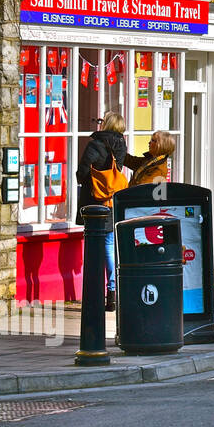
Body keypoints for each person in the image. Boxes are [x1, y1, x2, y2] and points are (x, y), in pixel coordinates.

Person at [76, 112, 130, 311]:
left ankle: (96, 291)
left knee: (95, 245)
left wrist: (83, 179)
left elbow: (82, 172)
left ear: (106, 124)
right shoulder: (121, 145)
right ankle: (112, 292)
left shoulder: (95, 144)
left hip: (94, 201)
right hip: (112, 200)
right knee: (108, 244)